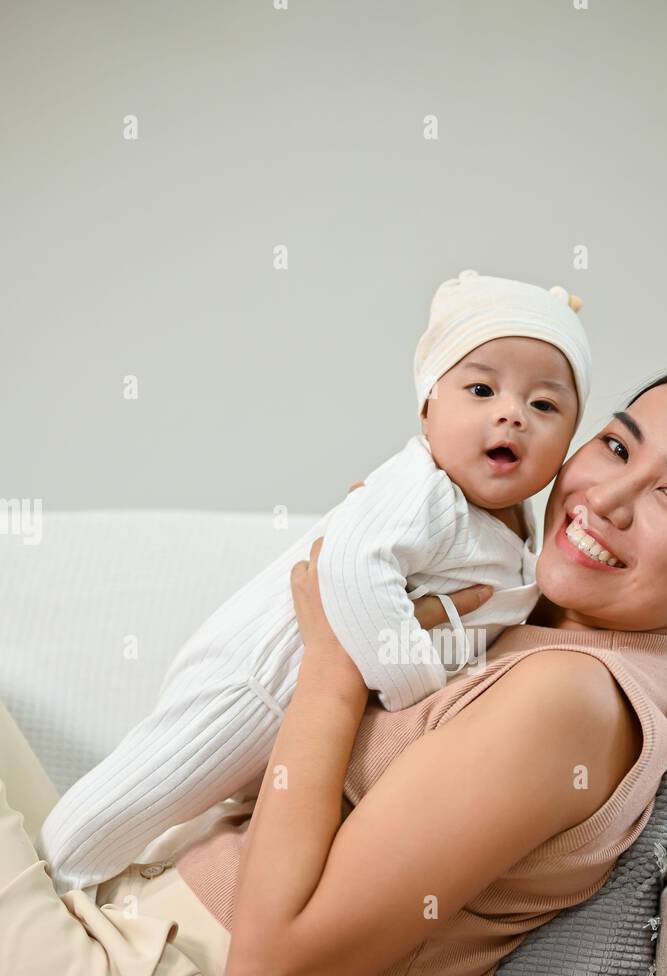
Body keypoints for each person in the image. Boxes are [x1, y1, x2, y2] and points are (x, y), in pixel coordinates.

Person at [0, 358, 667, 976]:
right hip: (111, 948)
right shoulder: (521, 621)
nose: (606, 498)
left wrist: (333, 668)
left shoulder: (573, 700)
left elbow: (270, 967)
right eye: (617, 446)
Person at [36, 268, 591, 900]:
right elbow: (351, 569)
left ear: (569, 442)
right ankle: (43, 883)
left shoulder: (521, 532)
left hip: (316, 712)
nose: (511, 414)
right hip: (259, 683)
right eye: (481, 389)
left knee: (199, 826)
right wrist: (418, 691)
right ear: (428, 406)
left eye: (544, 405)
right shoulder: (424, 490)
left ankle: (96, 908)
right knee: (136, 796)